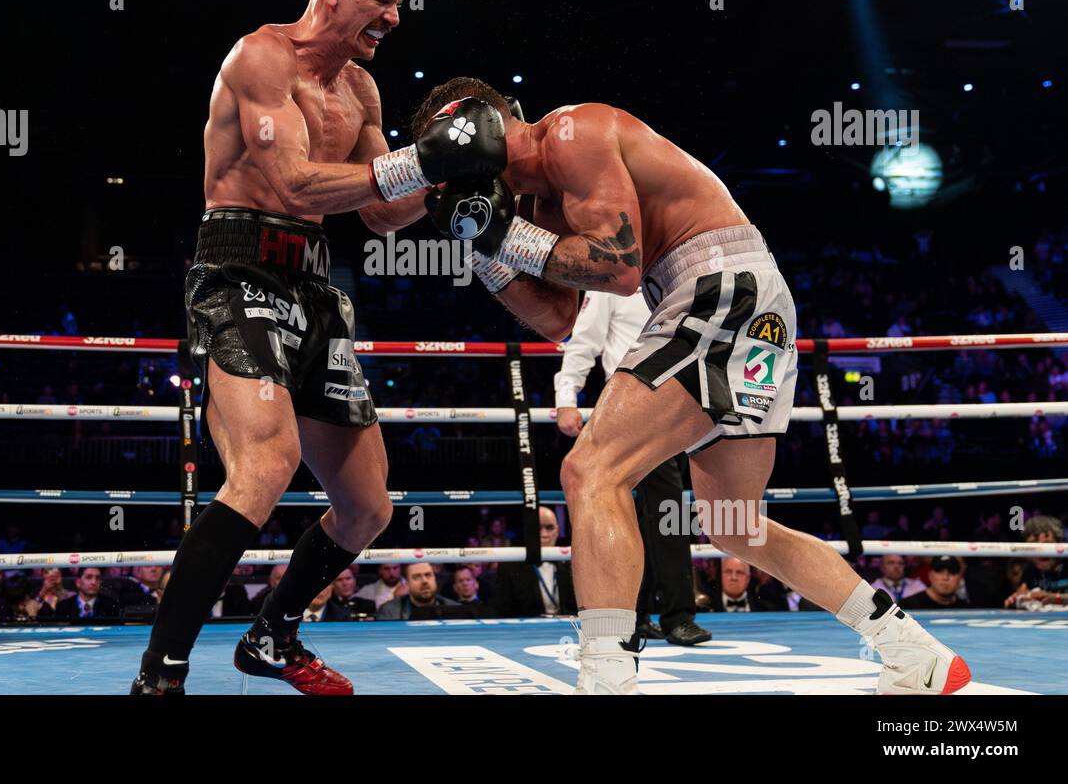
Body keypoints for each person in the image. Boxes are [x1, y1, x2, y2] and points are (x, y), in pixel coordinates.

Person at [416, 77, 970, 695]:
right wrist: (484, 248)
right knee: (735, 525)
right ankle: (917, 654)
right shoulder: (540, 209)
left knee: (590, 470)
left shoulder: (574, 131)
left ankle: (605, 679)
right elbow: (561, 321)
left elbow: (619, 268)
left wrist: (503, 234)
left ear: (480, 127)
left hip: (718, 287)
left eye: (448, 158)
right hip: (743, 305)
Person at [132, 0, 510, 695]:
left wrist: (450, 192)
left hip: (314, 285)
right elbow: (297, 185)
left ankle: (272, 634)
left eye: (400, 4)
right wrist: (423, 161)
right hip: (238, 272)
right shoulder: (261, 58)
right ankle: (160, 676)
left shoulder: (362, 90)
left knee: (369, 506)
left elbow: (379, 211)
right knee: (264, 465)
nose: (395, 17)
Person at [555, 289, 710, 646]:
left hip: (678, 407)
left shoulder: (680, 279)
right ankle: (674, 617)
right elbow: (585, 340)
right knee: (657, 508)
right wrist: (567, 397)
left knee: (649, 513)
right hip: (628, 409)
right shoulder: (612, 282)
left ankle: (640, 615)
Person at [491, 506, 577, 617]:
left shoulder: (572, 564)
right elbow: (503, 612)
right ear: (528, 531)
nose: (544, 534)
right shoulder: (509, 567)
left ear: (557, 531)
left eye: (549, 528)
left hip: (567, 630)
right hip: (527, 632)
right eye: (537, 528)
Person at [376, 563, 460, 620]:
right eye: (416, 577)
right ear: (407, 584)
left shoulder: (455, 609)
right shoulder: (389, 612)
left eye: (428, 575)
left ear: (435, 579)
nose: (424, 581)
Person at [708, 557, 785, 612]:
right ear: (720, 576)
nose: (734, 578)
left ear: (748, 578)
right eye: (728, 572)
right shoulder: (705, 609)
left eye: (739, 573)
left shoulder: (767, 610)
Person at [900, 557, 969, 610]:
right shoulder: (907, 606)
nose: (945, 577)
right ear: (930, 576)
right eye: (940, 572)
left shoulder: (967, 609)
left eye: (951, 573)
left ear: (959, 578)